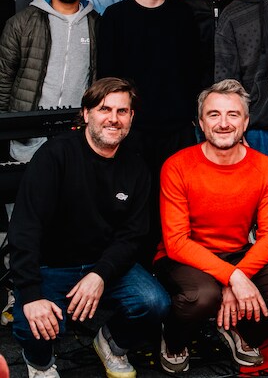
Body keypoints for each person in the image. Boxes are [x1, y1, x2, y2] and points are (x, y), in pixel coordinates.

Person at [8, 78, 170, 378]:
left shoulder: (136, 166)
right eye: (104, 109)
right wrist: (30, 294)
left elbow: (132, 235)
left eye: (122, 111)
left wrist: (100, 274)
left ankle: (110, 343)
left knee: (154, 303)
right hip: (51, 266)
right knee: (31, 322)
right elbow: (25, 228)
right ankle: (41, 365)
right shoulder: (55, 156)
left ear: (131, 117)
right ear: (85, 114)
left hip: (102, 265)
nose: (113, 118)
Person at [156, 80, 268, 372]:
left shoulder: (265, 167)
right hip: (185, 257)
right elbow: (176, 242)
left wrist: (236, 275)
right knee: (203, 296)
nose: (224, 123)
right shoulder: (177, 165)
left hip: (237, 252)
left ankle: (240, 332)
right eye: (214, 114)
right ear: (201, 122)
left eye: (233, 115)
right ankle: (174, 339)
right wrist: (234, 280)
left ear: (246, 121)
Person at [98, 0, 203, 172]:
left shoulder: (183, 15)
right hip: (133, 130)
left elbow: (194, 70)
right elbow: (107, 78)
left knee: (176, 200)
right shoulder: (115, 17)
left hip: (178, 129)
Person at [1, 0, 97, 162]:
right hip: (29, 134)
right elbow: (4, 78)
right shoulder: (22, 22)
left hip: (77, 132)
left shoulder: (97, 25)